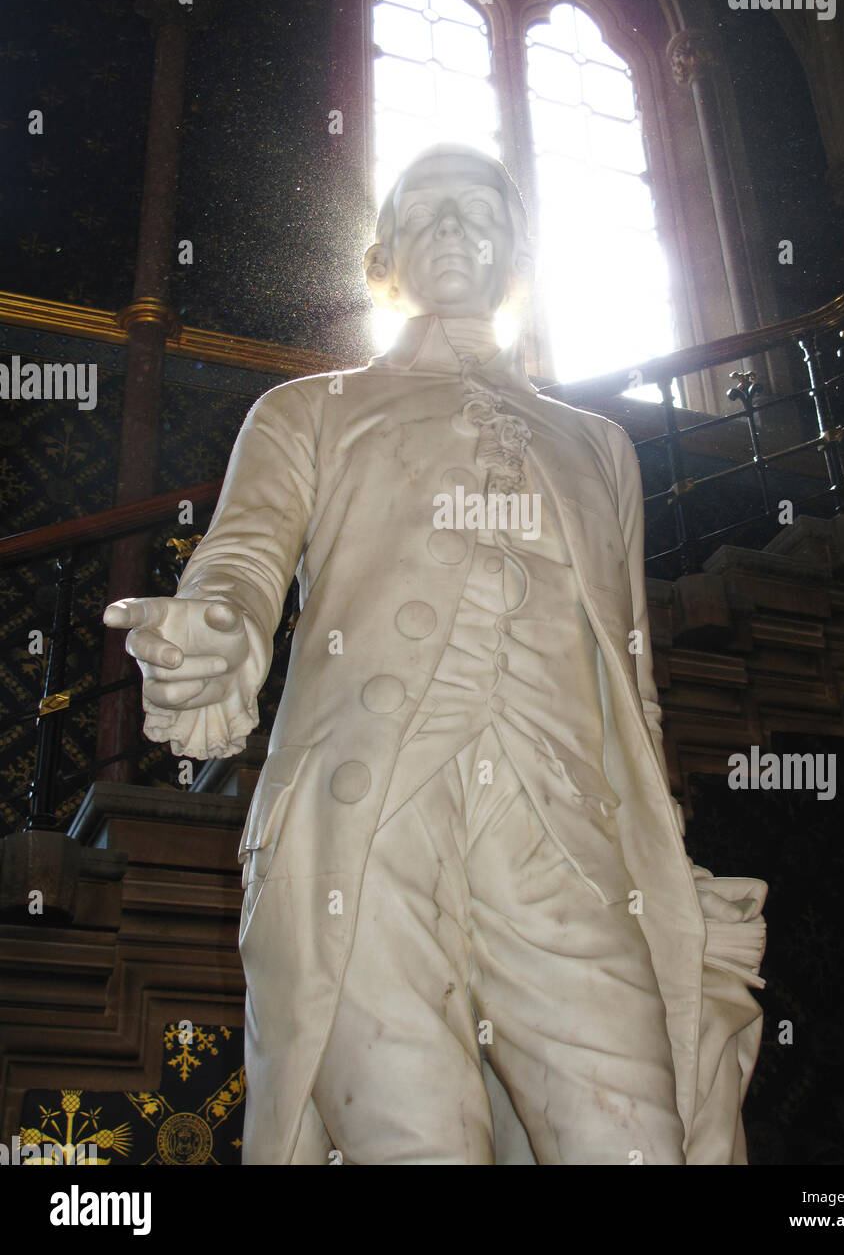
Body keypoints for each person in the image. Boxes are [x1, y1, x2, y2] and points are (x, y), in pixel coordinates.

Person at [105, 143, 766, 1165]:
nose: (455, 228)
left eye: (481, 211)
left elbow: (628, 680)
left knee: (634, 1134)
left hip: (566, 830)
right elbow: (241, 557)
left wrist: (666, 855)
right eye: (427, 212)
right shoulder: (306, 410)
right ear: (381, 261)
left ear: (520, 257)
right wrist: (220, 628)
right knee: (415, 1144)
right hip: (364, 819)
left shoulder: (599, 447)